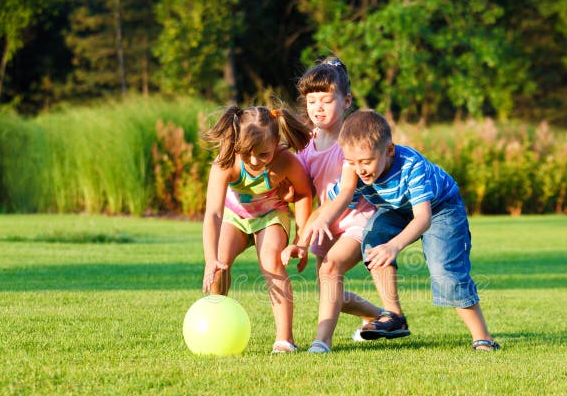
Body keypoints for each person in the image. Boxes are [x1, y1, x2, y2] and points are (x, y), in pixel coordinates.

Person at [303, 109, 500, 351]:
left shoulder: (411, 165)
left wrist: (394, 245)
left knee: (445, 271)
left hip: (440, 208)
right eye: (352, 163)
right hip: (397, 209)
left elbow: (423, 218)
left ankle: (483, 338)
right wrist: (319, 223)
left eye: (366, 162)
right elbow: (338, 198)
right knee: (374, 238)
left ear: (388, 150)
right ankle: (394, 316)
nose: (360, 169)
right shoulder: (354, 170)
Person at [280, 57, 384, 354]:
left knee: (330, 272)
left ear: (346, 100)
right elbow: (301, 192)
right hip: (326, 223)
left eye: (327, 100)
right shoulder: (308, 144)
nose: (318, 108)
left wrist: (318, 222)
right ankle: (379, 317)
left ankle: (321, 342)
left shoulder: (351, 141)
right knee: (328, 285)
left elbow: (345, 192)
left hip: (358, 220)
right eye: (312, 101)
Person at [201, 105, 314, 353]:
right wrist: (211, 260)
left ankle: (285, 340)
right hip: (236, 216)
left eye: (263, 154)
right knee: (220, 264)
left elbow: (305, 194)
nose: (254, 161)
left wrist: (301, 240)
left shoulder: (285, 161)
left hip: (271, 215)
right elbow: (214, 213)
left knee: (270, 261)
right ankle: (217, 326)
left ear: (276, 142)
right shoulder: (227, 160)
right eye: (247, 153)